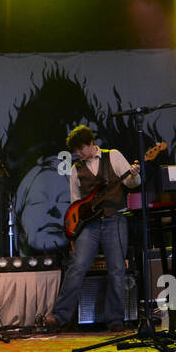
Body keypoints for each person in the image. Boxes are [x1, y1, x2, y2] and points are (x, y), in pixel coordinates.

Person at [40, 125, 141, 333]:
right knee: (76, 267)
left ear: (90, 143)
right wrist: (74, 233)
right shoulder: (76, 169)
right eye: (75, 151)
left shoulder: (112, 156)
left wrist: (135, 175)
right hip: (90, 225)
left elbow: (131, 184)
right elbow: (75, 203)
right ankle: (60, 317)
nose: (78, 154)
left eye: (80, 149)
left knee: (116, 269)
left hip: (115, 219)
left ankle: (115, 320)